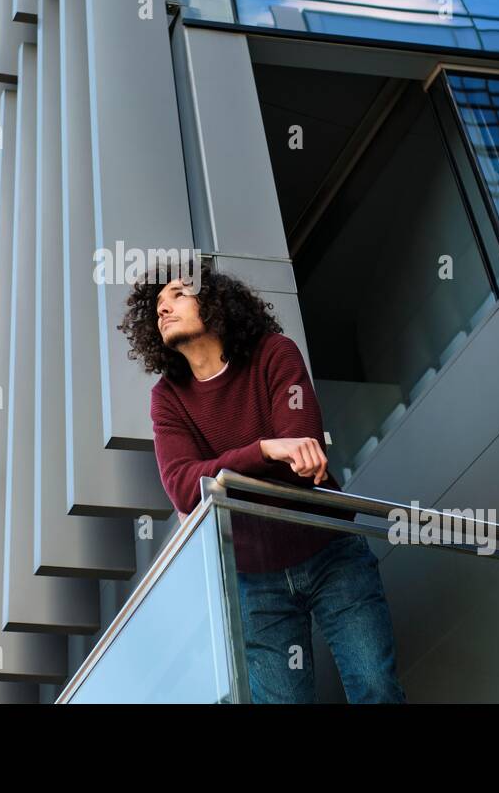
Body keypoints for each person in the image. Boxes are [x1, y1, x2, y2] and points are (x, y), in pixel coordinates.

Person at [118, 257, 405, 703]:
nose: (163, 309)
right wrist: (264, 449)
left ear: (212, 302)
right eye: (157, 305)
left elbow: (300, 451)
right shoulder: (167, 399)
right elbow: (180, 485)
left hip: (330, 551)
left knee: (375, 687)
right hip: (254, 578)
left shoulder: (274, 353)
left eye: (177, 294)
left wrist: (230, 470)